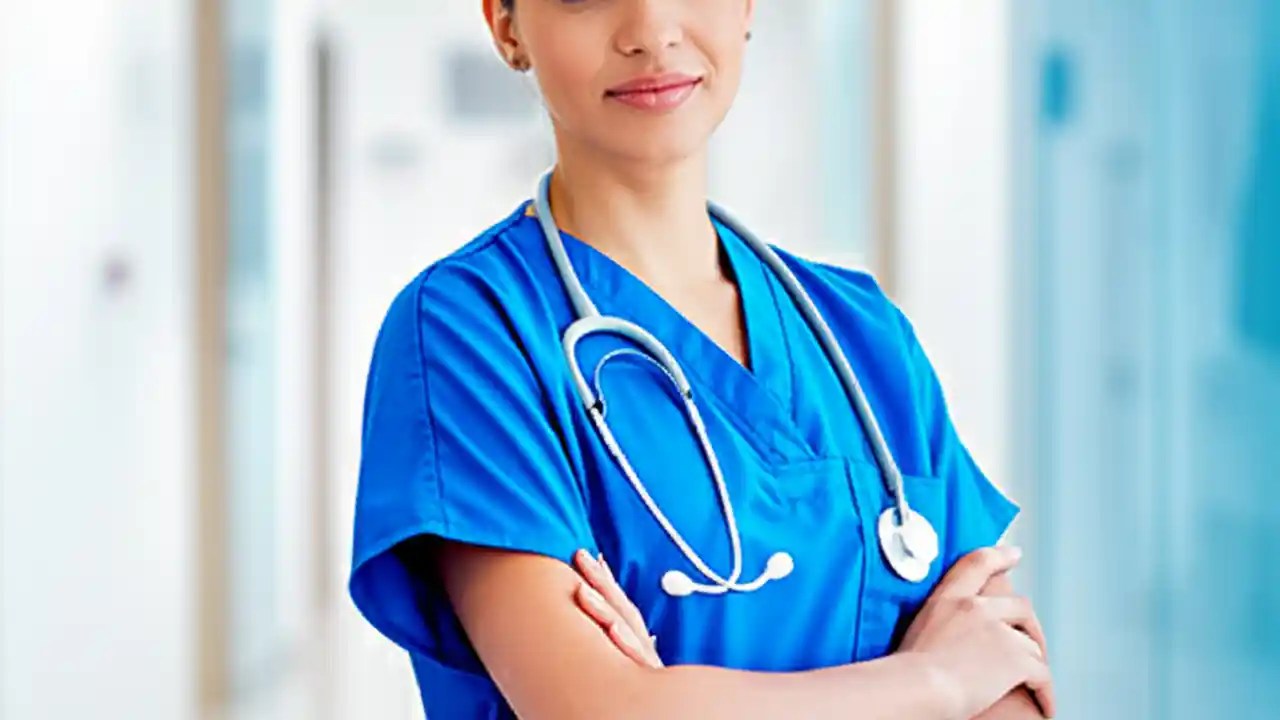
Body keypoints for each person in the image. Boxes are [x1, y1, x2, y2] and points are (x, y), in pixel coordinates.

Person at [349, 1, 1056, 717]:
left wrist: (673, 695)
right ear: (506, 24)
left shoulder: (863, 336)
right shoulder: (471, 331)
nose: (652, 31)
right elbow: (596, 709)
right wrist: (931, 683)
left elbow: (1005, 677)